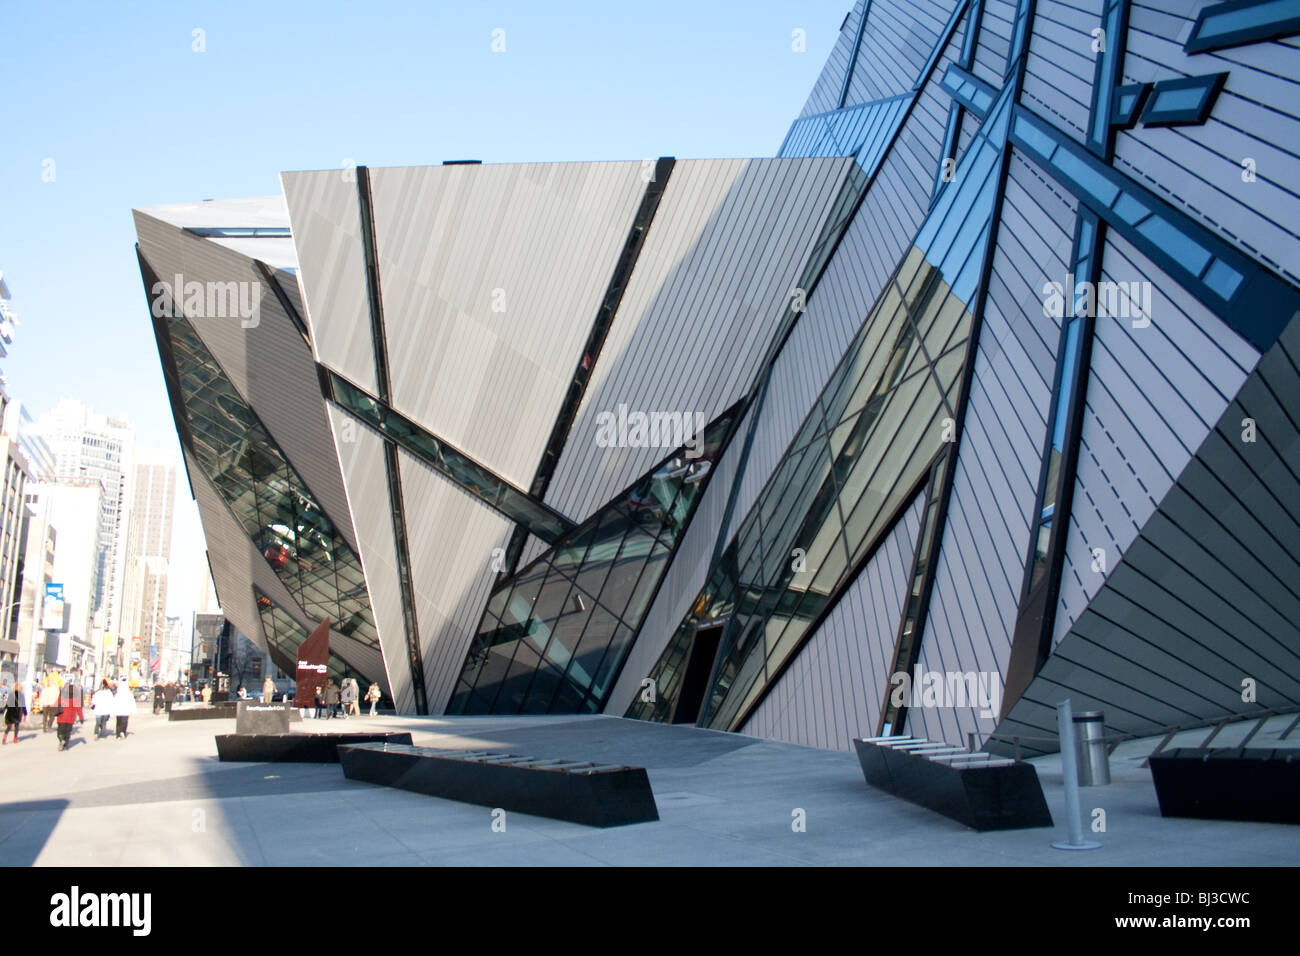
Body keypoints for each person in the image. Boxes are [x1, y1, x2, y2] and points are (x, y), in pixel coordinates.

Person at [55, 674, 82, 751]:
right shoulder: (75, 697)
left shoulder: (62, 696)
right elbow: (78, 708)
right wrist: (81, 717)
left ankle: (61, 740)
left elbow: (56, 704)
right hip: (70, 718)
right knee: (67, 732)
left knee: (60, 731)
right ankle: (65, 745)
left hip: (61, 717)